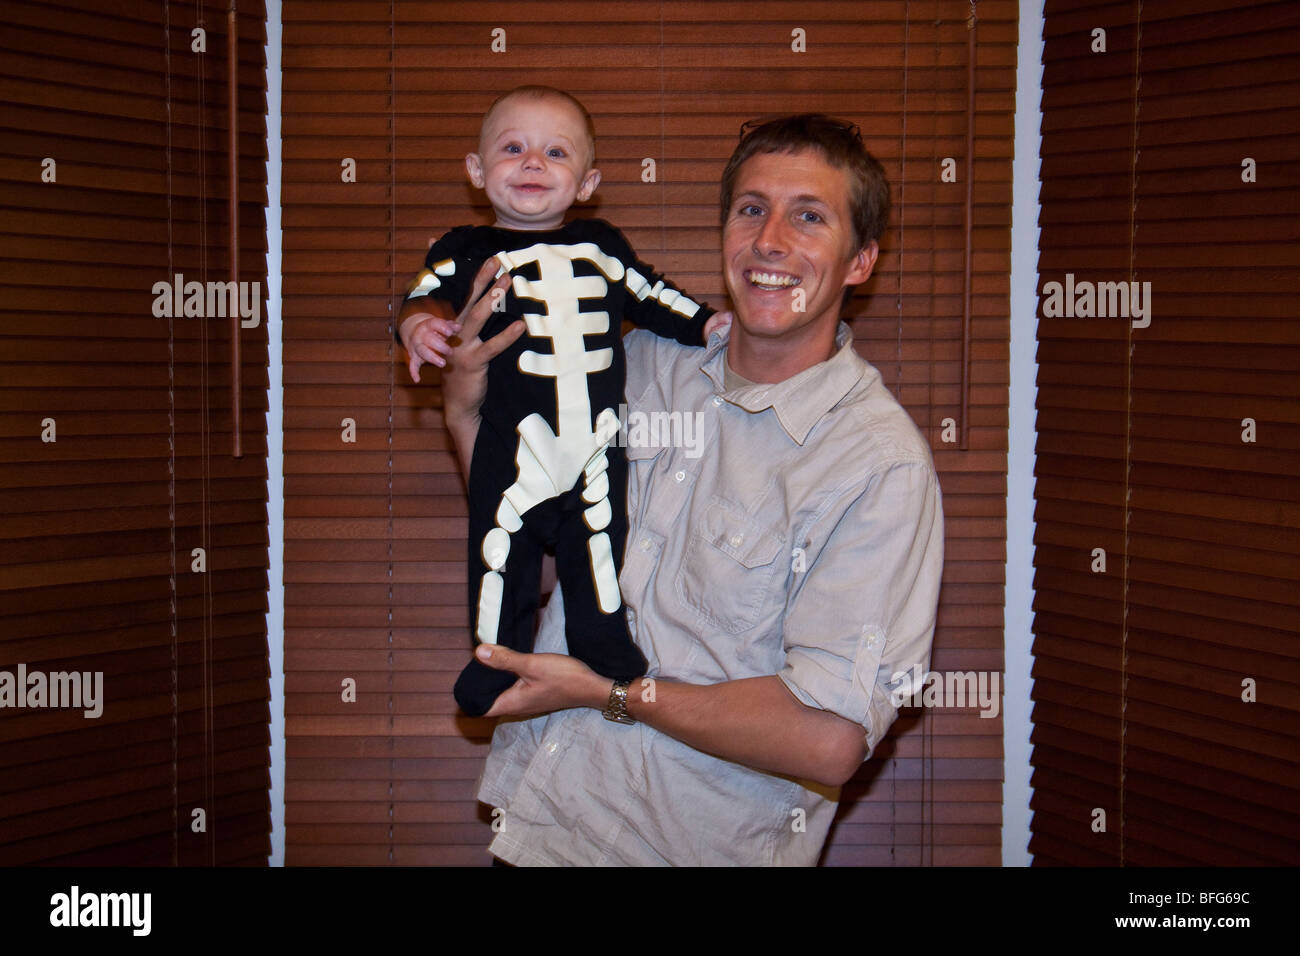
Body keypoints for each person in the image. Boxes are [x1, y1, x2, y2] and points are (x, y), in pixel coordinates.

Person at [437, 114, 945, 865]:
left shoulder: (877, 468)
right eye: (751, 208)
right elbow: (528, 518)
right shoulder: (631, 363)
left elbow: (829, 739)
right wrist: (460, 402)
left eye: (809, 216)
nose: (770, 240)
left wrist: (605, 692)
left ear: (860, 260)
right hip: (538, 834)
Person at [396, 86, 728, 717]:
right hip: (511, 443)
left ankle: (605, 653)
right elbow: (419, 297)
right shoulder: (460, 249)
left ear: (586, 181)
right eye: (512, 148)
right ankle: (495, 658)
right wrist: (417, 326)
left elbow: (652, 293)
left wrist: (707, 322)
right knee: (499, 551)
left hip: (598, 440)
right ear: (476, 170)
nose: (532, 163)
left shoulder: (603, 246)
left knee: (600, 543)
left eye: (555, 152)